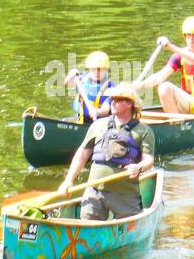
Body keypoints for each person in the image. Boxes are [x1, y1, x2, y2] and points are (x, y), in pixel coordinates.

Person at [56, 83, 155, 220]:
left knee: (130, 226)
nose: (113, 102)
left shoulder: (144, 131)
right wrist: (68, 181)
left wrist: (138, 167)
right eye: (112, 99)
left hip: (125, 193)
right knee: (87, 226)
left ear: (129, 104)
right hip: (94, 191)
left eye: (118, 99)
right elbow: (82, 154)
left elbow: (149, 160)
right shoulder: (98, 125)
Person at [137, 16, 194, 115]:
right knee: (163, 87)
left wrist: (171, 46)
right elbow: (159, 77)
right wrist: (137, 86)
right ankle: (176, 125)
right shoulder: (180, 55)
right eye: (188, 36)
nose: (191, 39)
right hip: (190, 101)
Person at [63, 50, 114, 123]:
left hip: (99, 122)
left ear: (106, 69)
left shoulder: (110, 87)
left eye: (100, 69)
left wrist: (97, 112)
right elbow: (69, 83)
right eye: (94, 69)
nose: (97, 72)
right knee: (64, 121)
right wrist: (71, 74)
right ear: (89, 69)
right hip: (81, 117)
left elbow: (106, 109)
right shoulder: (82, 79)